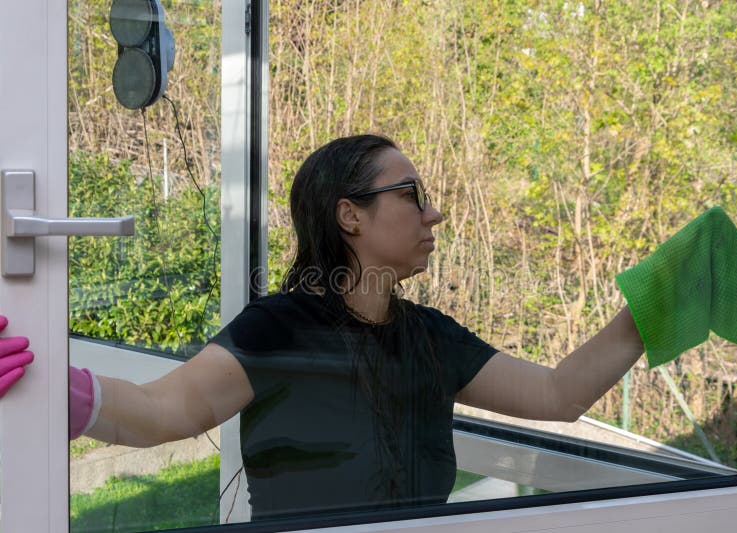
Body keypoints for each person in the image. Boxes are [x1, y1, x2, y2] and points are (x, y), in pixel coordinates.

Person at [3, 135, 647, 520]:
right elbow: (156, 410)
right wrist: (39, 383)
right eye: (412, 194)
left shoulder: (431, 337)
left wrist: (656, 299)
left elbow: (560, 395)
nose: (435, 213)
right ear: (350, 216)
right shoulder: (281, 329)